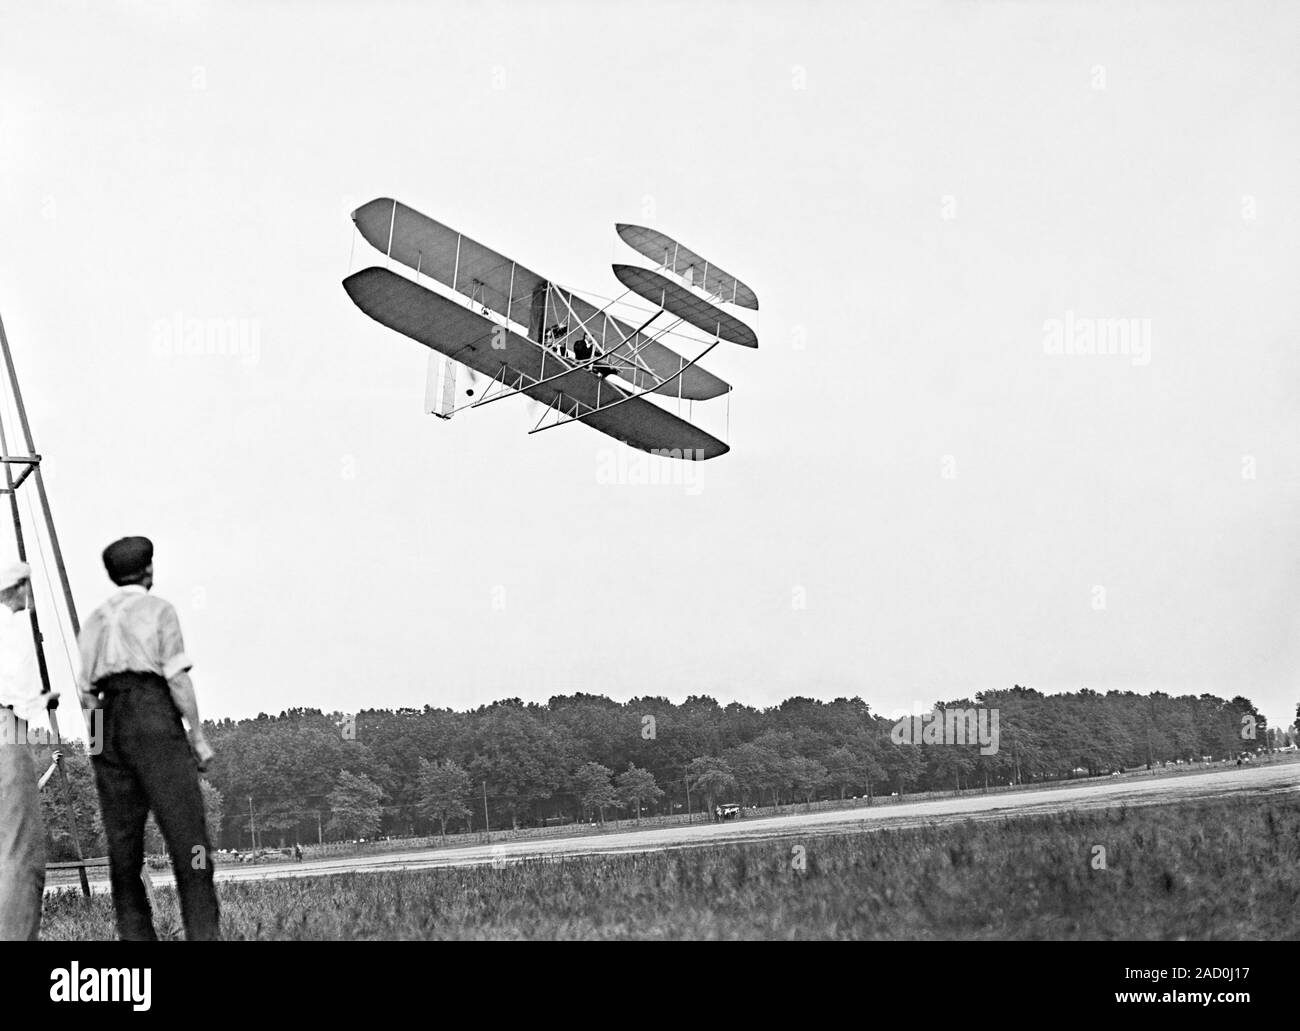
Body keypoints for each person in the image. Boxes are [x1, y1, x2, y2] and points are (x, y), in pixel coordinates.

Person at [77, 536, 220, 941]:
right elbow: (175, 676)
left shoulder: (94, 619)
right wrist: (197, 735)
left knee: (123, 847)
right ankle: (204, 933)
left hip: (106, 717)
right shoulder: (160, 610)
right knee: (188, 836)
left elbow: (86, 692)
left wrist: (100, 750)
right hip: (153, 712)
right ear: (149, 569)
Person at [0, 560, 59, 941]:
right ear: (17, 588)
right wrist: (45, 700)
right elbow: (16, 696)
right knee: (21, 856)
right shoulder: (8, 627)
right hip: (8, 735)